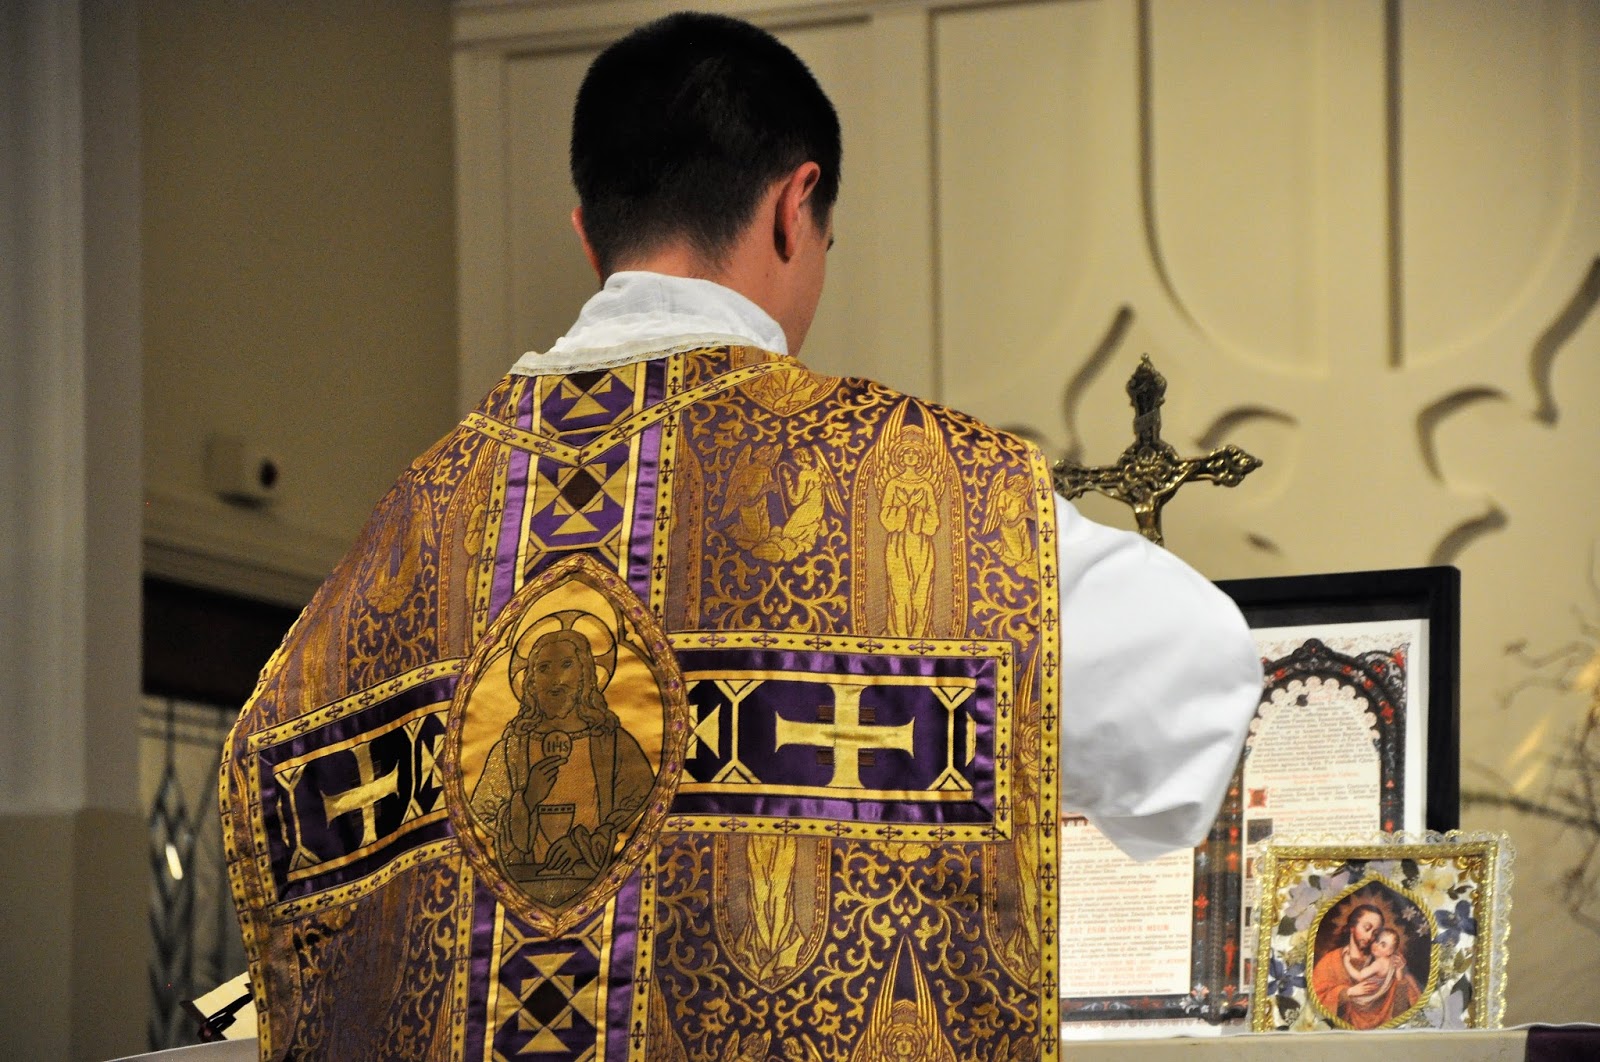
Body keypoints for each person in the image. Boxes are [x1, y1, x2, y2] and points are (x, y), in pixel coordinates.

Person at [221, 12, 1260, 1060]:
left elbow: (273, 799)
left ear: (589, 235)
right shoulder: (930, 496)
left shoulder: (413, 527)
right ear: (792, 206)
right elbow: (1192, 681)